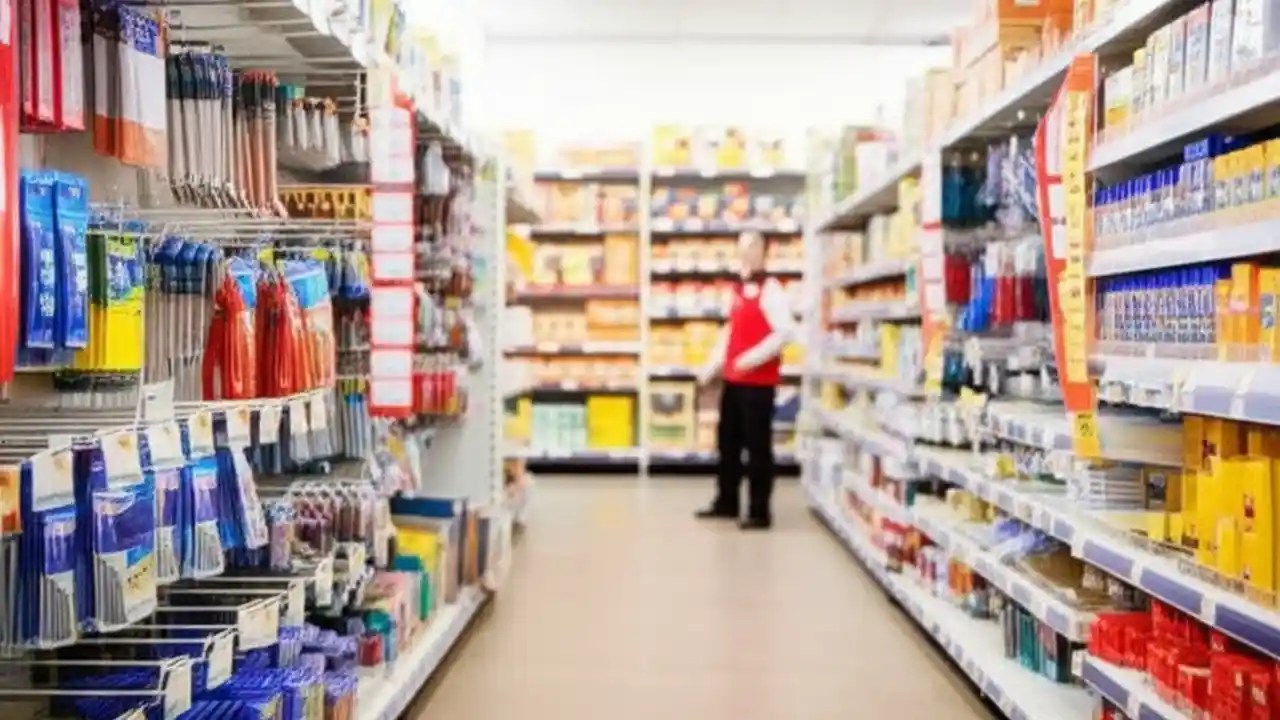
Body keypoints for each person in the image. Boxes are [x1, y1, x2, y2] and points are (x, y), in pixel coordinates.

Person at [695, 230, 796, 530]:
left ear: (765, 250)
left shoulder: (772, 289)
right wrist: (712, 364)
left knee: (757, 447)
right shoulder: (739, 287)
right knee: (727, 443)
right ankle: (726, 501)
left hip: (758, 384)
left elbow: (785, 332)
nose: (746, 252)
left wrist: (750, 359)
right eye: (742, 246)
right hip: (734, 380)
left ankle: (759, 510)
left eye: (753, 246)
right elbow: (731, 331)